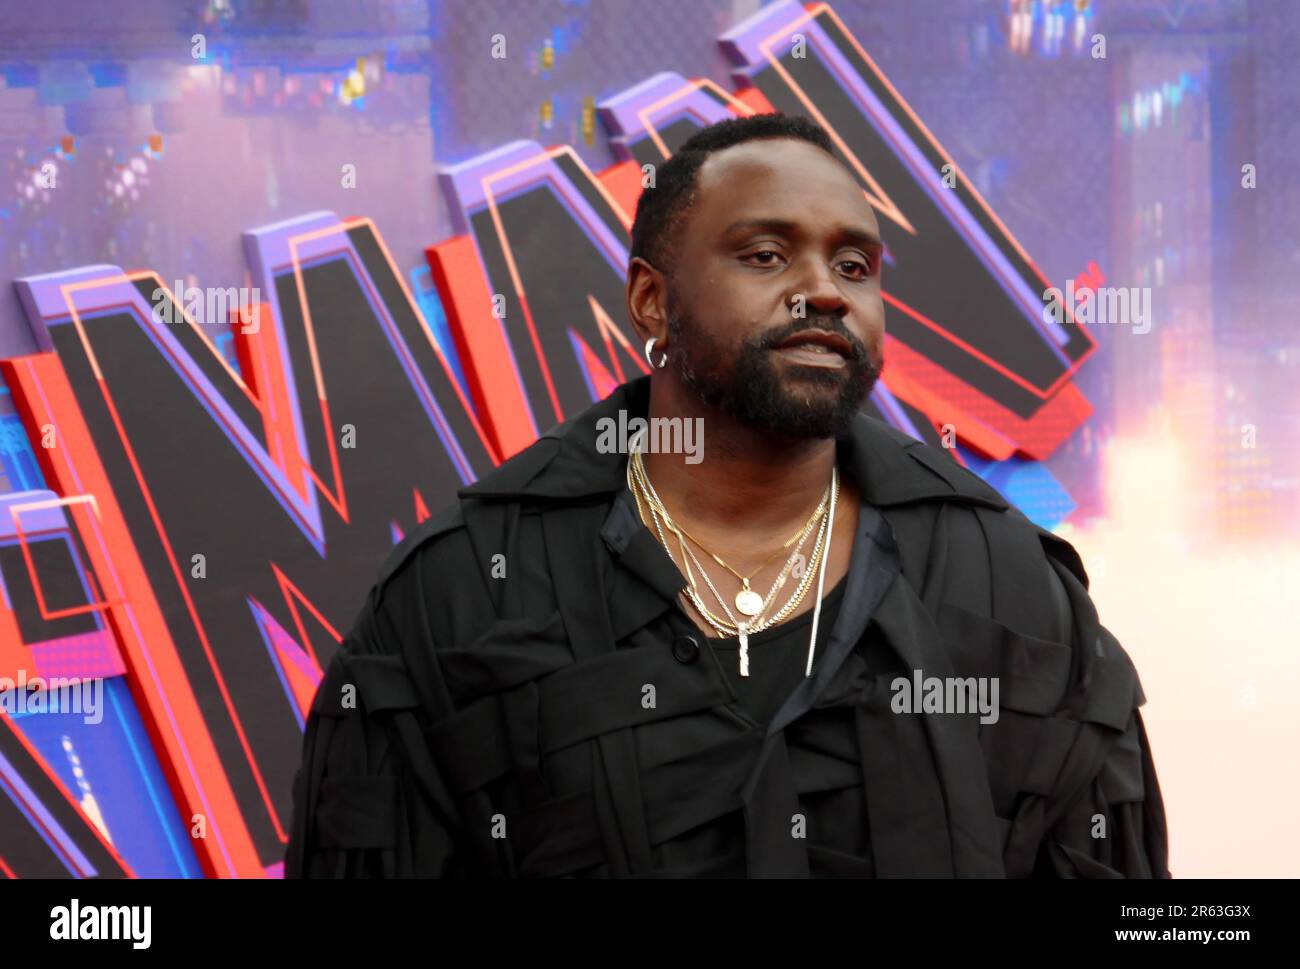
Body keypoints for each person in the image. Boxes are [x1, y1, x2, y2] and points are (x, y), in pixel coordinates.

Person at [285, 113, 1169, 878]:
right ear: (652, 302)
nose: (825, 290)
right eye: (766, 254)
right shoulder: (461, 595)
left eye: (855, 265)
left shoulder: (1011, 585)